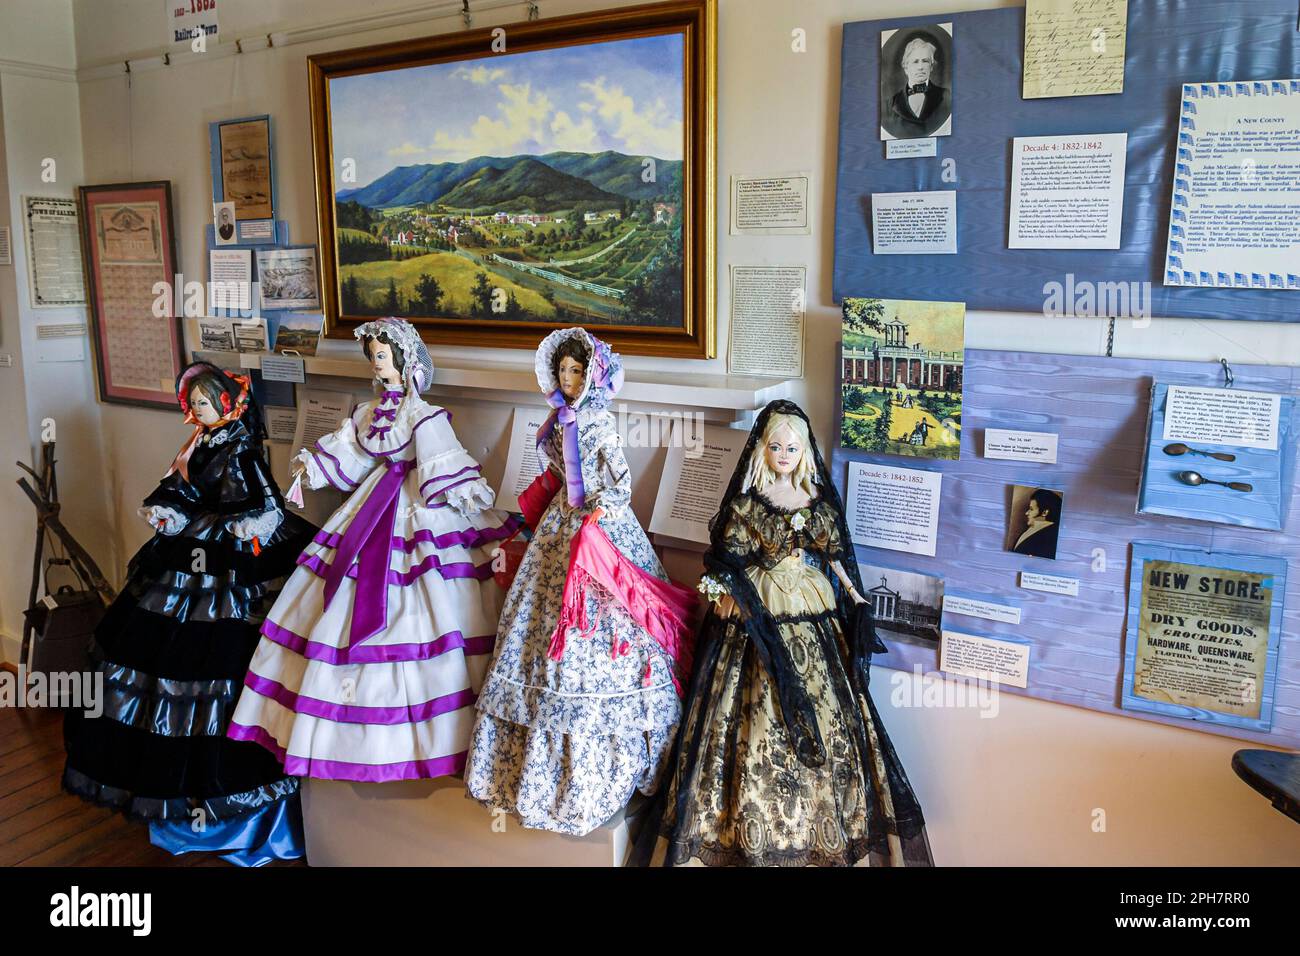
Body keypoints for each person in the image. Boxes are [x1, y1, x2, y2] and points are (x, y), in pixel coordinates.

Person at [633, 400, 933, 866]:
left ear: (804, 450)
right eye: (776, 446)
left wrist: (854, 595)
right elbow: (728, 558)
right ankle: (745, 823)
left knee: (827, 706)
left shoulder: (814, 501)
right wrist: (724, 588)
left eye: (792, 446)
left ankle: (818, 823)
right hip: (760, 599)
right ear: (762, 450)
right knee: (745, 702)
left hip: (811, 600)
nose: (784, 454)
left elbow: (836, 557)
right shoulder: (747, 504)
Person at [228, 317, 518, 781]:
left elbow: (442, 459)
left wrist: (465, 497)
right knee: (338, 592)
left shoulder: (423, 414)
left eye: (382, 355)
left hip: (417, 505)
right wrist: (312, 470)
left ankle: (436, 736)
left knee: (425, 602)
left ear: (404, 360)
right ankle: (344, 731)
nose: (377, 364)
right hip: (372, 503)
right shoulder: (368, 411)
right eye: (373, 357)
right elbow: (353, 454)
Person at [62, 362, 316, 866]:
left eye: (204, 402)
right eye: (193, 403)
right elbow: (179, 487)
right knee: (168, 659)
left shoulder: (240, 447)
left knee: (223, 664)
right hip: (192, 550)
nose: (197, 410)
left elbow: (263, 501)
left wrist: (246, 526)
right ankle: (183, 800)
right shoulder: (197, 445)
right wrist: (170, 511)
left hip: (234, 551)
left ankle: (239, 805)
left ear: (227, 403)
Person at [465, 327, 696, 836]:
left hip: (598, 532)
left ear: (593, 376)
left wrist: (600, 515)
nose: (569, 379)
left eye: (577, 371)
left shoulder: (600, 426)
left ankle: (604, 767)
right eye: (563, 372)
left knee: (602, 628)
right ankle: (532, 772)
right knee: (539, 621)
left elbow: (618, 482)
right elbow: (554, 471)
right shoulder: (557, 422)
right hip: (559, 528)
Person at [883, 34, 952, 139]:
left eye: (925, 61)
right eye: (915, 62)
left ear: (931, 66)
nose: (920, 67)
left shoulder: (945, 96)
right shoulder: (890, 104)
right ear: (906, 68)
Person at [1011, 488, 1061, 559]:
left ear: (1044, 513)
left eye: (1031, 509)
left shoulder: (1051, 536)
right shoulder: (1033, 530)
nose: (1026, 513)